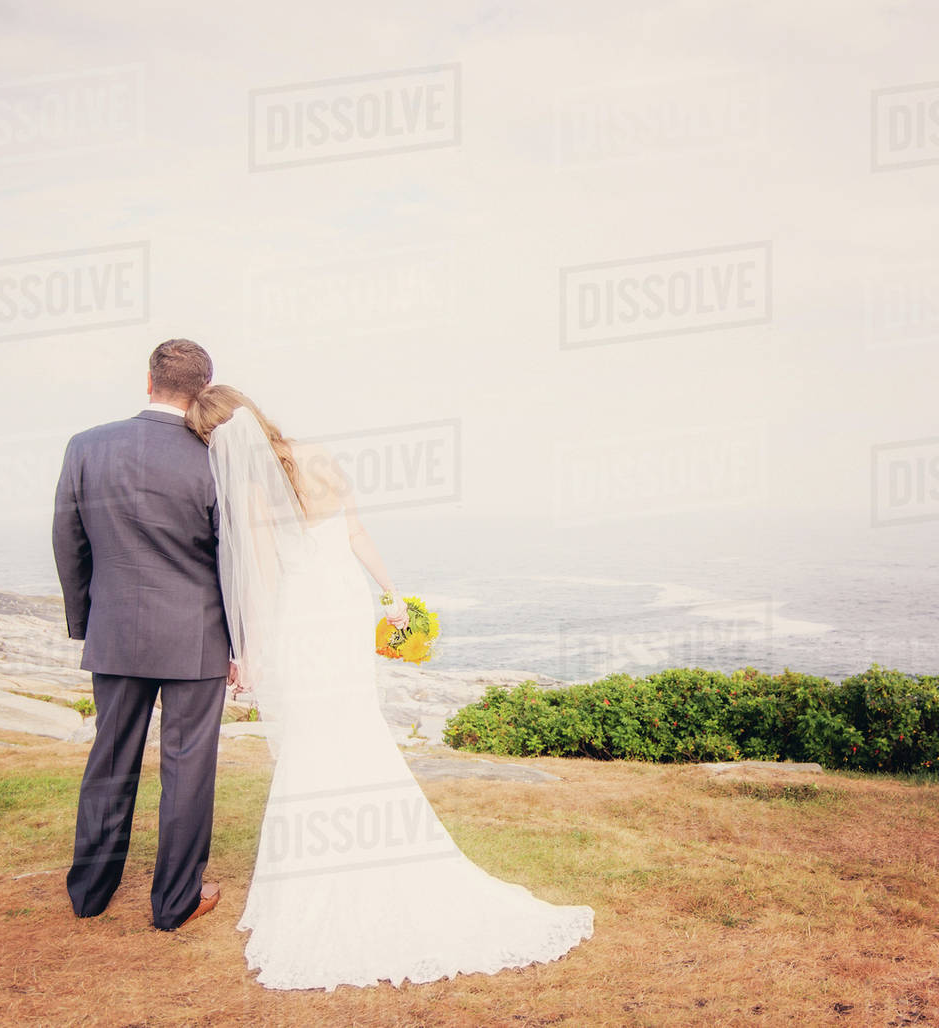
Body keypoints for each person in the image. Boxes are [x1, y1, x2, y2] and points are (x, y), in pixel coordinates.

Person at [184, 385, 595, 991]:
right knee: (353, 724)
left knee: (312, 737)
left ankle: (323, 866)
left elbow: (266, 571)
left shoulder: (249, 487)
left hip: (303, 613)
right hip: (345, 604)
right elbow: (356, 535)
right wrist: (391, 594)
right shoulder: (319, 455)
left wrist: (251, 647)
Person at [53, 339, 234, 930]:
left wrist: (86, 622)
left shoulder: (86, 446)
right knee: (188, 769)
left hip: (117, 632)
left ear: (148, 380)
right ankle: (175, 903)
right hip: (198, 636)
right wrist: (241, 643)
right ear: (203, 389)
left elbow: (69, 541)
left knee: (110, 760)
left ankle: (89, 894)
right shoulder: (215, 456)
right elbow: (230, 558)